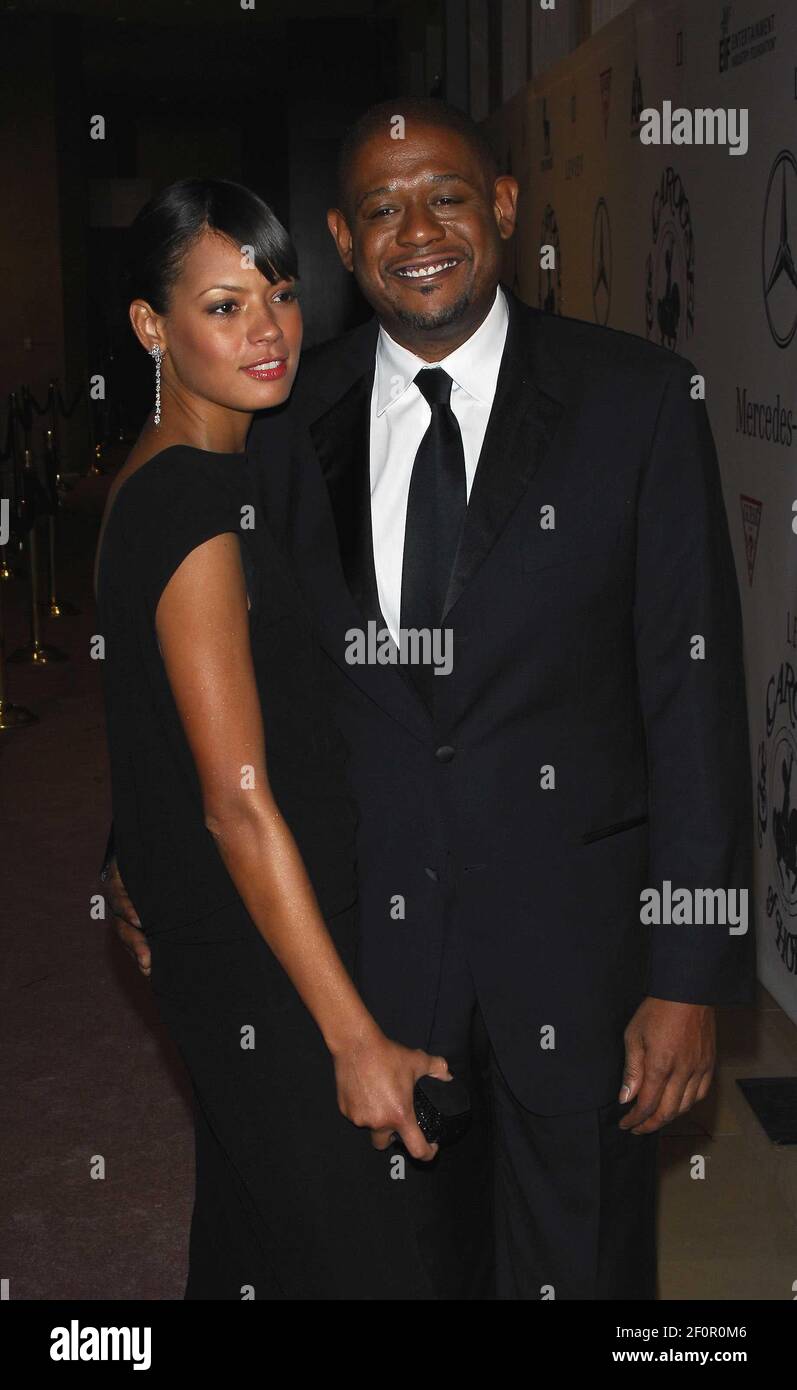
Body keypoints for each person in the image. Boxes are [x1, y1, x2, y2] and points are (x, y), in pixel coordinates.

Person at [108, 100, 756, 1300]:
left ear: (503, 206)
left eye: (446, 195)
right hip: (373, 960)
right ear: (344, 244)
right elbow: (218, 663)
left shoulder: (637, 403)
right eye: (379, 209)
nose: (418, 230)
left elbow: (694, 699)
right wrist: (134, 841)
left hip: (581, 964)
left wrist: (687, 974)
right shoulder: (283, 412)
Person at [95, 176, 453, 1301]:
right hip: (263, 958)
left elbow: (157, 717)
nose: (267, 332)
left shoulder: (169, 474)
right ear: (151, 326)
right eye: (222, 306)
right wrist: (352, 1036)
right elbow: (236, 798)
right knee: (355, 1257)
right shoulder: (195, 506)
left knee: (256, 1243)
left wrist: (127, 845)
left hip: (230, 928)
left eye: (282, 294)